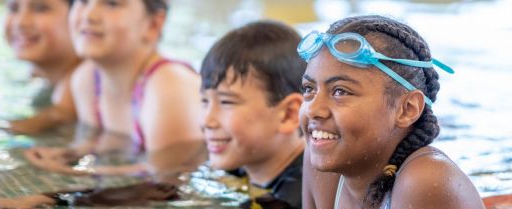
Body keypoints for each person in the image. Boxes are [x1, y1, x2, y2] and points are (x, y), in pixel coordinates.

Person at [298, 15, 485, 209]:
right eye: (309, 89)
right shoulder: (323, 160)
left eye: (340, 91)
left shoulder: (425, 181)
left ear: (407, 109)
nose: (313, 109)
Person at [24, 0, 205, 179]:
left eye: (111, 4)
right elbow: (100, 146)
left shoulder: (169, 86)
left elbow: (169, 178)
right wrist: (69, 154)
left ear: (153, 24)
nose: (89, 15)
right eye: (83, 1)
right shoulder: (86, 79)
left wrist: (69, 172)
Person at [200, 21, 306, 209]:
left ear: (289, 114)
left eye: (226, 102)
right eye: (205, 101)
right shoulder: (238, 167)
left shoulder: (303, 196)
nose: (207, 121)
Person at [4, 0, 86, 134]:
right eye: (13, 8)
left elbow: (59, 115)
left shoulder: (81, 76)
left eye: (41, 9)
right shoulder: (38, 73)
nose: (21, 22)